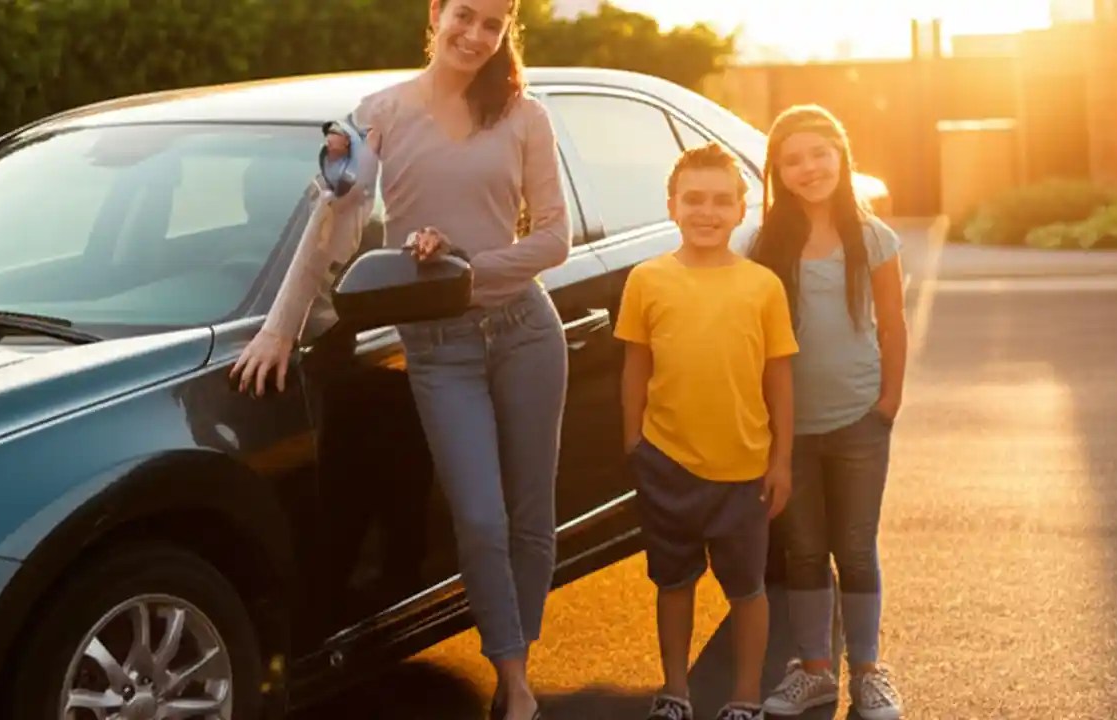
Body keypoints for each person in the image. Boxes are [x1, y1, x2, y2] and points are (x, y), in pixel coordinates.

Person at [230, 1, 572, 718]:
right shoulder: (379, 111)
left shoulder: (524, 115)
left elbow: (552, 242)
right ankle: (511, 667)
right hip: (439, 349)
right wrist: (279, 329)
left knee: (530, 516)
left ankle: (515, 681)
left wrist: (460, 267)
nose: (476, 36)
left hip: (524, 331)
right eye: (465, 17)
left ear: (507, 30)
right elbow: (332, 222)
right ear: (436, 13)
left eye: (494, 24)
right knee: (479, 518)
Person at [617, 143, 798, 720]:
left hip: (745, 467)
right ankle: (675, 691)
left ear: (742, 210)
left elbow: (779, 378)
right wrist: (634, 445)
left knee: (747, 589)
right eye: (694, 199)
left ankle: (745, 694)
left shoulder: (762, 286)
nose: (707, 211)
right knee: (673, 584)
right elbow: (636, 368)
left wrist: (782, 461)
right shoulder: (646, 280)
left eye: (722, 200)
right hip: (666, 462)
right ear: (672, 206)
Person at [752, 105, 907, 720]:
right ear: (778, 172)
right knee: (805, 549)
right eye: (793, 160)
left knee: (856, 545)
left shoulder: (872, 236)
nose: (808, 168)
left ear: (842, 157)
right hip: (790, 428)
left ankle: (867, 669)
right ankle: (814, 669)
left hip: (858, 417)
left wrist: (889, 402)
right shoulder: (759, 244)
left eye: (819, 154)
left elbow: (893, 326)